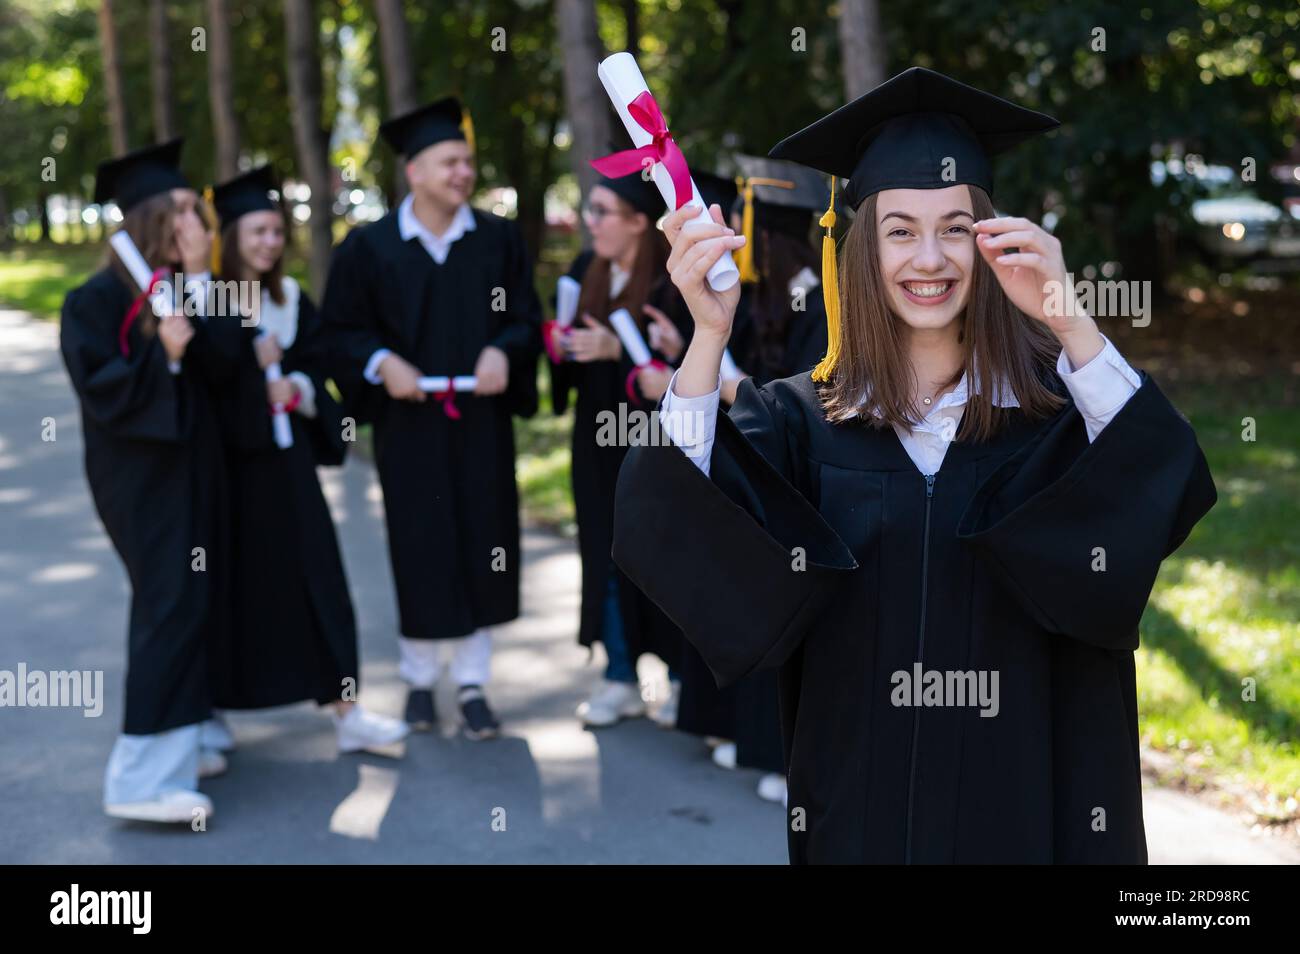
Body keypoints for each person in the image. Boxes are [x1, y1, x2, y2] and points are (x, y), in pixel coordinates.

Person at [611, 67, 1218, 863]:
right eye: (899, 229)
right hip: (861, 813)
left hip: (1028, 815)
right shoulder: (801, 419)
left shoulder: (1055, 412)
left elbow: (1166, 479)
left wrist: (1070, 320)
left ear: (992, 238)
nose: (928, 258)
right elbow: (670, 520)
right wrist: (707, 338)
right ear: (862, 247)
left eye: (954, 228)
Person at [321, 97, 543, 740]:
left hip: (480, 423)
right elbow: (338, 332)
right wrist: (381, 361)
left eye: (468, 162)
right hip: (408, 426)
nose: (463, 173)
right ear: (414, 172)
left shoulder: (496, 240)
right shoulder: (369, 249)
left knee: (482, 538)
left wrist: (505, 349)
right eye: (450, 162)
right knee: (419, 544)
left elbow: (526, 320)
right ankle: (418, 680)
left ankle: (473, 683)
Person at [61, 139, 241, 822]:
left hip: (193, 472)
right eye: (184, 214)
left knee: (191, 599)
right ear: (148, 221)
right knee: (167, 604)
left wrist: (199, 277)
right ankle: (137, 780)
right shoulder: (96, 300)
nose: (196, 226)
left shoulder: (179, 286)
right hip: (140, 478)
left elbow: (228, 367)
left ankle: (183, 742)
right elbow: (103, 391)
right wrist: (160, 357)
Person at [205, 165, 409, 756]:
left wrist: (294, 385)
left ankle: (347, 713)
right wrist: (250, 381)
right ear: (231, 235)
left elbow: (323, 367)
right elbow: (202, 389)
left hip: (287, 466)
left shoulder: (290, 299)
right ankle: (211, 712)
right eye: (258, 231)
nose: (270, 243)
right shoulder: (208, 298)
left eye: (276, 231)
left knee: (320, 578)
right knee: (232, 587)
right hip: (233, 471)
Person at [672, 155, 830, 805]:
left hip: (805, 475)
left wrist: (731, 384)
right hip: (759, 466)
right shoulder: (769, 293)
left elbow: (813, 392)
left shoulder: (822, 298)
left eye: (746, 225)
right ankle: (741, 730)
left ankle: (792, 755)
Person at [547, 172, 691, 728]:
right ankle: (620, 675)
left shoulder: (670, 283)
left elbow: (686, 371)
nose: (591, 222)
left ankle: (681, 676)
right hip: (595, 439)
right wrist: (563, 350)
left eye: (603, 211)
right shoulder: (586, 271)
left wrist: (617, 350)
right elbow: (566, 372)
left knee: (665, 554)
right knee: (606, 552)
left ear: (637, 221)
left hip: (654, 442)